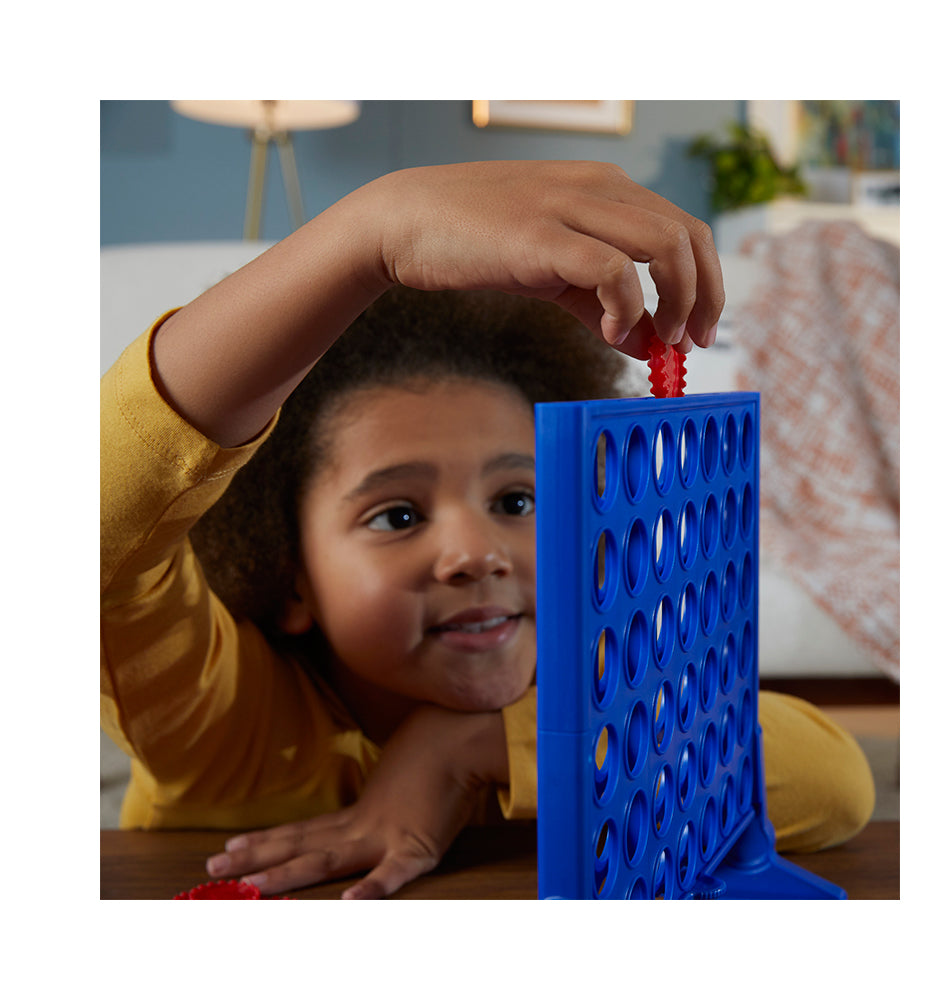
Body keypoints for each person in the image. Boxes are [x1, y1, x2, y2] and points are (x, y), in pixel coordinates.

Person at [101, 160, 874, 899]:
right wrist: (373, 232)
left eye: (517, 501)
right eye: (397, 516)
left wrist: (464, 750)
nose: (477, 554)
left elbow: (830, 779)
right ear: (291, 571)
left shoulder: (588, 674)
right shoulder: (221, 720)